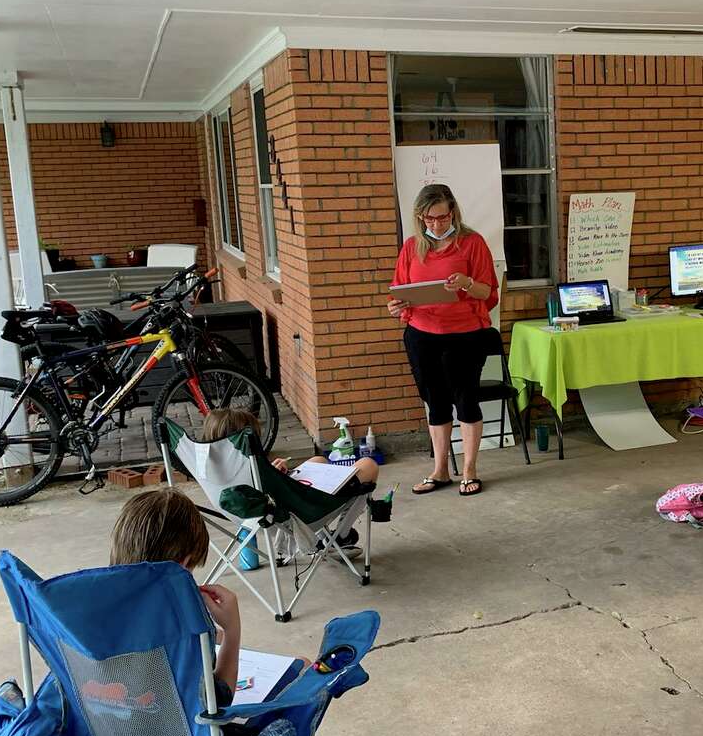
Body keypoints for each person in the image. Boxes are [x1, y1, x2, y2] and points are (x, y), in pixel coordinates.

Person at [110, 489, 316, 736]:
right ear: (183, 564)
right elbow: (219, 699)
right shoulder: (182, 619)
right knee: (305, 672)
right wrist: (231, 630)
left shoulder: (86, 611)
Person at [388, 184, 499, 497]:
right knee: (435, 402)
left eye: (441, 217)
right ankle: (440, 471)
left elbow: (488, 293)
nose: (435, 224)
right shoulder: (412, 247)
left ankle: (469, 470)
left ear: (453, 213)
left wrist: (465, 283)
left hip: (464, 334)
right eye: (428, 219)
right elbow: (399, 291)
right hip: (422, 334)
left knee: (465, 399)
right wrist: (395, 305)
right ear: (420, 217)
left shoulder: (472, 243)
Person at [200, 408, 377, 555]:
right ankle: (339, 538)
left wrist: (273, 473)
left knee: (319, 460)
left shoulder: (211, 467)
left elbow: (252, 489)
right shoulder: (248, 462)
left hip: (254, 518)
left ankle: (331, 537)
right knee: (368, 465)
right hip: (293, 517)